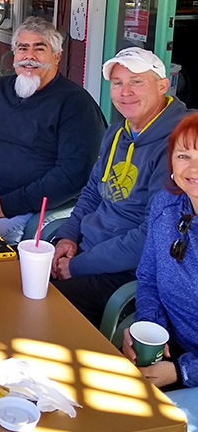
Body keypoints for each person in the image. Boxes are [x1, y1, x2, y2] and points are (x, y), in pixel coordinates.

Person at [64, 111, 198, 432]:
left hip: (188, 373)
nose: (192, 167)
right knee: (99, 419)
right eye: (183, 155)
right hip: (171, 356)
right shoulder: (168, 205)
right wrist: (149, 336)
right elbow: (150, 278)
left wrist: (178, 370)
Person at [51, 47, 189, 325]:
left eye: (136, 81)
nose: (125, 92)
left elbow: (150, 237)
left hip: (125, 271)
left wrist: (76, 266)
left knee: (39, 304)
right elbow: (91, 193)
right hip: (85, 250)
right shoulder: (117, 132)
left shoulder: (178, 147)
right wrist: (67, 236)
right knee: (11, 270)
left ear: (163, 86)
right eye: (117, 83)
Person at [0, 17, 106, 242]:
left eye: (39, 49)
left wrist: (4, 205)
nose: (29, 57)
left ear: (56, 56)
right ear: (14, 55)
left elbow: (73, 174)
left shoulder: (76, 104)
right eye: (23, 48)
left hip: (25, 209)